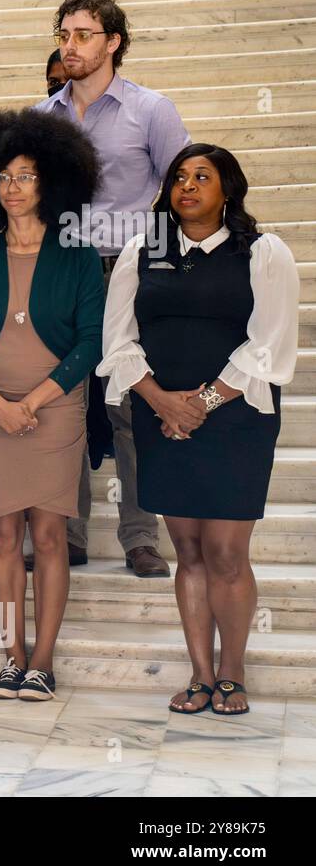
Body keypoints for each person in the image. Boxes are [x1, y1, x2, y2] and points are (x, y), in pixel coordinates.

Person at [98, 144, 298, 716]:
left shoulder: (261, 252)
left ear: (227, 189)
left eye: (202, 177)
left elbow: (271, 342)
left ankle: (233, 673)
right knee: (186, 550)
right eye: (179, 177)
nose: (188, 186)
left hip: (237, 417)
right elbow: (117, 339)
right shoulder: (145, 248)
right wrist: (163, 402)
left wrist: (203, 403)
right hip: (162, 418)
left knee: (227, 553)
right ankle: (201, 674)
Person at [0, 109, 105, 701]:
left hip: (56, 409)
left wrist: (33, 402)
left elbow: (91, 341)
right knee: (2, 538)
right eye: (3, 178)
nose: (13, 188)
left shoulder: (79, 256)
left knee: (49, 537)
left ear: (52, 182)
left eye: (26, 175)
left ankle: (43, 661)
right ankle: (11, 657)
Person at [35, 0, 192, 578]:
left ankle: (139, 537)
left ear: (113, 42)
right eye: (64, 34)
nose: (69, 45)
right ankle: (67, 533)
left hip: (127, 269)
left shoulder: (152, 110)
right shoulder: (42, 116)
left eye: (82, 34)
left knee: (129, 405)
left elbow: (184, 190)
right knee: (64, 401)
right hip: (59, 272)